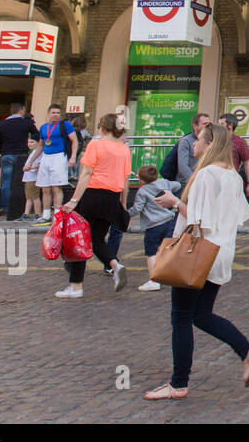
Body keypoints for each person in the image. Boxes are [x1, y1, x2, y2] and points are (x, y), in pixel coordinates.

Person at [144, 124, 249, 400]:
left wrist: (175, 203)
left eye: (198, 139)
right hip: (219, 253)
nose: (193, 144)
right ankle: (247, 350)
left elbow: (199, 222)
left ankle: (178, 383)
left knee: (181, 318)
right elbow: (236, 217)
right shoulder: (232, 176)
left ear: (209, 145)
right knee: (201, 314)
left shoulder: (206, 175)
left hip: (197, 254)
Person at [56, 113, 132, 298]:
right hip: (112, 197)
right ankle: (115, 265)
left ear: (102, 128)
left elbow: (86, 174)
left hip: (92, 194)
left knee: (79, 239)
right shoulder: (124, 149)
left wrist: (74, 200)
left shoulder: (96, 144)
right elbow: (125, 179)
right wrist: (122, 202)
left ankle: (76, 286)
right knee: (97, 239)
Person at [129, 164, 181, 291]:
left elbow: (137, 208)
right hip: (169, 221)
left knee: (151, 252)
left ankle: (154, 280)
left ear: (141, 180)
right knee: (164, 249)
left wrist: (125, 214)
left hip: (153, 225)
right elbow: (178, 185)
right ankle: (168, 274)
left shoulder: (143, 191)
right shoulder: (164, 183)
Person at [26, 104, 79, 225]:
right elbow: (40, 145)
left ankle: (57, 215)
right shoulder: (44, 127)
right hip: (46, 157)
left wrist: (73, 157)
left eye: (58, 113)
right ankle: (45, 215)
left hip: (59, 156)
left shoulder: (65, 125)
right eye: (53, 112)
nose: (56, 115)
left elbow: (74, 140)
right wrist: (31, 161)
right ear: (48, 113)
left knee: (56, 188)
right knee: (45, 188)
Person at [0, 104, 38, 219]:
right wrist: (30, 145)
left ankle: (5, 207)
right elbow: (36, 134)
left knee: (6, 182)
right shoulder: (26, 122)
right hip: (21, 155)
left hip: (6, 154)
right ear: (22, 110)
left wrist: (3, 147)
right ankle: (19, 207)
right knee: (20, 182)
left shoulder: (3, 123)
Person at [220, 113, 249, 211]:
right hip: (215, 181)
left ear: (230, 126)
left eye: (221, 124)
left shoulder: (240, 142)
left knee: (229, 212)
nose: (219, 127)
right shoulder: (215, 140)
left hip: (231, 181)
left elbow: (247, 163)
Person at [175, 113, 212, 189]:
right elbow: (183, 166)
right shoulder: (185, 141)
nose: (208, 127)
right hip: (187, 184)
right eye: (205, 124)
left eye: (209, 124)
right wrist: (195, 182)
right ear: (195, 126)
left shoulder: (211, 139)